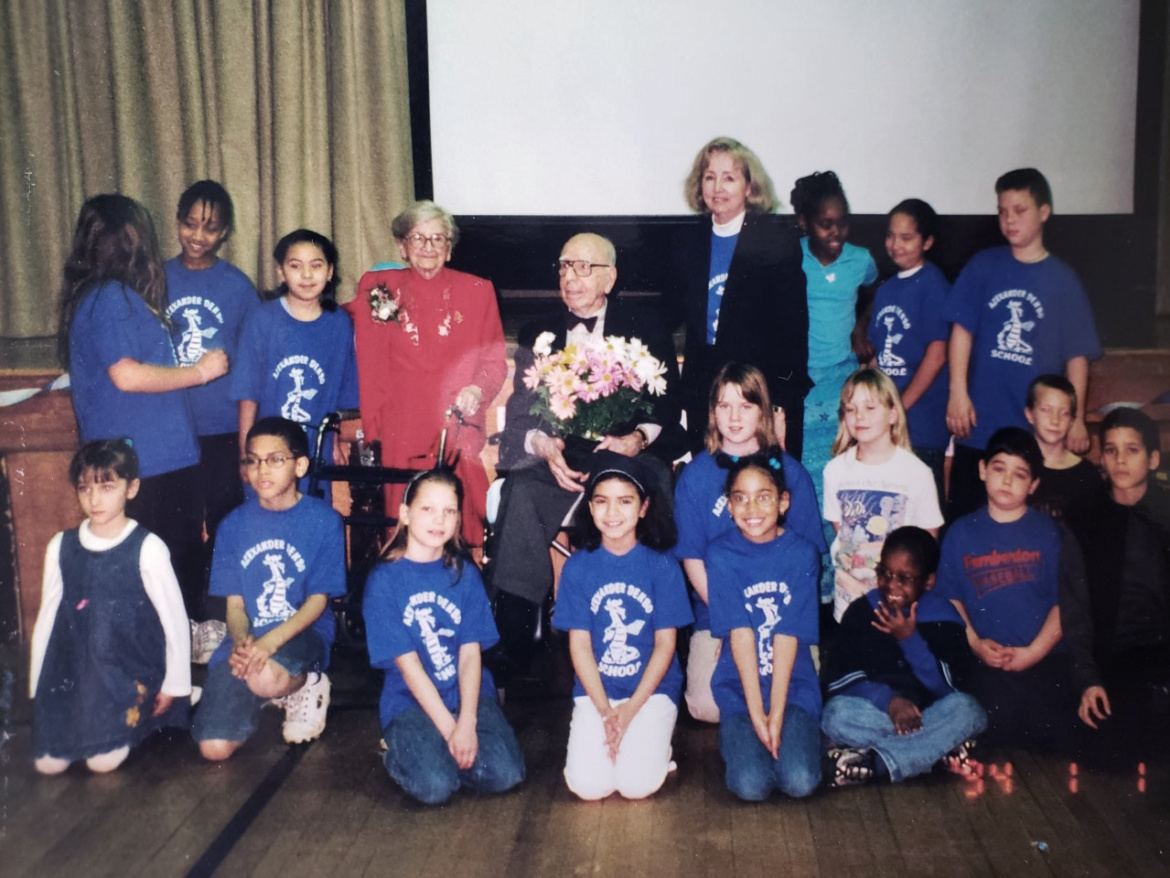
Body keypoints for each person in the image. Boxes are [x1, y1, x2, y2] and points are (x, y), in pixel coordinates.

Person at [488, 232, 686, 688]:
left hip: (627, 457)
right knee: (520, 490)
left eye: (582, 267)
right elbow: (520, 418)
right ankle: (515, 640)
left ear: (609, 278)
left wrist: (637, 438)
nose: (569, 277)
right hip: (560, 461)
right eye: (563, 266)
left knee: (658, 485)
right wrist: (542, 446)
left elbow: (666, 406)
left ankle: (666, 634)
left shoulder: (647, 326)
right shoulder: (538, 334)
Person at [58, 194, 228, 620]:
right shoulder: (110, 298)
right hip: (148, 463)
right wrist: (201, 372)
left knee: (169, 578)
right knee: (160, 585)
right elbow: (126, 375)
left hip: (156, 459)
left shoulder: (107, 297)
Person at [945, 168, 1102, 521]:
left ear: (1043, 212)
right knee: (966, 523)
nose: (1009, 220)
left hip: (1035, 435)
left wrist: (1075, 419)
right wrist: (958, 392)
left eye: (1020, 210)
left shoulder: (1063, 280)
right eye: (1002, 211)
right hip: (980, 427)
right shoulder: (984, 266)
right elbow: (962, 333)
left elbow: (1078, 357)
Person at [348, 201, 507, 546]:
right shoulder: (379, 286)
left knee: (458, 517)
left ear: (449, 249)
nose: (428, 248)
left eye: (438, 239)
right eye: (418, 238)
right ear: (402, 246)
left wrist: (478, 390)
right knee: (402, 515)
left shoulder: (478, 291)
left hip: (454, 419)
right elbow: (343, 322)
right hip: (401, 420)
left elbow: (495, 362)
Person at [673, 363, 825, 723]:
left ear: (764, 411)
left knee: (795, 700)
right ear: (712, 413)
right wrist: (732, 623)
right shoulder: (696, 476)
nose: (735, 417)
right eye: (724, 406)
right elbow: (692, 559)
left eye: (746, 406)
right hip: (718, 613)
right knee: (708, 707)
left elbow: (808, 562)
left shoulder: (790, 473)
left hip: (786, 615)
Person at [363, 469, 525, 805]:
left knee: (507, 773)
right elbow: (409, 668)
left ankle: (440, 751)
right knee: (435, 786)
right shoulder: (384, 581)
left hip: (467, 696)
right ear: (405, 514)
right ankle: (402, 747)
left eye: (449, 511)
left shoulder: (464, 575)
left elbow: (470, 656)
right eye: (428, 509)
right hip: (411, 701)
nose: (439, 520)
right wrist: (452, 731)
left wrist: (466, 722)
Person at [30, 439, 191, 774]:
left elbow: (174, 620)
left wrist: (175, 685)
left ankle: (173, 704)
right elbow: (47, 617)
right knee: (48, 764)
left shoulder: (147, 547)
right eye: (84, 488)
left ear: (131, 488)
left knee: (102, 762)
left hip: (130, 668)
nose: (94, 499)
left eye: (106, 487)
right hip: (76, 670)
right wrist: (38, 686)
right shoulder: (61, 546)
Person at [192, 418, 345, 758]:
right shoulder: (232, 526)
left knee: (262, 678)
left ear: (300, 465)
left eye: (275, 459)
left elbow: (318, 601)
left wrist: (270, 643)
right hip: (252, 642)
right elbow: (235, 606)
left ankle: (306, 683)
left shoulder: (324, 520)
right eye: (253, 459)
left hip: (301, 635)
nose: (262, 469)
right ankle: (267, 687)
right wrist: (244, 642)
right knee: (213, 748)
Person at [551, 455, 691, 799]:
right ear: (590, 507)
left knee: (635, 785)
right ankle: (626, 740)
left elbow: (665, 646)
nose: (612, 513)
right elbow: (580, 647)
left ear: (643, 508)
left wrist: (628, 712)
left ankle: (658, 746)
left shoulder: (663, 566)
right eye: (602, 501)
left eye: (624, 501)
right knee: (588, 787)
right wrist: (605, 711)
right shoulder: (578, 567)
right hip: (597, 691)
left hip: (650, 691)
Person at [935, 427, 1076, 751]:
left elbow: (1064, 603)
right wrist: (975, 643)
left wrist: (1033, 653)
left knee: (1057, 725)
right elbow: (951, 596)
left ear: (1034, 485)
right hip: (987, 657)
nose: (1008, 481)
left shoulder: (1048, 533)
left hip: (1043, 657)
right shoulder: (961, 532)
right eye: (999, 469)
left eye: (1020, 474)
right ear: (983, 469)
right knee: (992, 717)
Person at [672, 137, 810, 457]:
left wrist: (780, 406)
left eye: (729, 177)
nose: (717, 187)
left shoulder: (775, 242)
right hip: (704, 393)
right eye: (710, 177)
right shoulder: (687, 241)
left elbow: (792, 333)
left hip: (758, 391)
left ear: (749, 187)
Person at [821, 526, 987, 786]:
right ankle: (935, 749)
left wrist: (910, 639)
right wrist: (890, 702)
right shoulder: (862, 611)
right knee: (834, 716)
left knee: (969, 711)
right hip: (878, 714)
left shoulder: (944, 617)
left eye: (904, 578)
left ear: (928, 581)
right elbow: (840, 677)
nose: (891, 585)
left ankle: (875, 763)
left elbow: (950, 688)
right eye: (885, 573)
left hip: (927, 714)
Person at [707, 456, 822, 801]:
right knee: (751, 786)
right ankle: (743, 739)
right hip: (741, 691)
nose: (752, 507)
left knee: (800, 781)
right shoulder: (720, 554)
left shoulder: (802, 553)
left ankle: (806, 739)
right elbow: (740, 634)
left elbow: (786, 636)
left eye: (764, 496)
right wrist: (759, 715)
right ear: (729, 505)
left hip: (793, 687)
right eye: (740, 497)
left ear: (783, 501)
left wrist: (777, 714)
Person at [1062, 408, 1170, 767]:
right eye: (1111, 450)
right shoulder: (1084, 518)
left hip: (1162, 647)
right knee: (1109, 750)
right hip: (1115, 655)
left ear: (1153, 458)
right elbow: (1074, 609)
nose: (1120, 460)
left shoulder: (1165, 513)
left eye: (1132, 450)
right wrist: (1087, 679)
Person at [163, 181, 260, 580]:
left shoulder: (236, 286)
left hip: (220, 427)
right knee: (178, 526)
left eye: (210, 228)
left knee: (224, 520)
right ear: (177, 222)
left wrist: (244, 440)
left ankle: (221, 613)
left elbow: (252, 363)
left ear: (224, 233)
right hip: (170, 426)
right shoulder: (156, 278)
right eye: (190, 224)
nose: (198, 236)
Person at [231, 229, 359, 485]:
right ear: (281, 272)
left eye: (316, 265)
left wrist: (333, 442)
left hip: (316, 447)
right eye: (295, 266)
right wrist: (246, 454)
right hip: (267, 448)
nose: (307, 275)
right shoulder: (262, 319)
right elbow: (248, 393)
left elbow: (340, 393)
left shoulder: (340, 324)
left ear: (330, 271)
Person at [792, 170, 879, 545]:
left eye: (843, 224)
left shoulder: (861, 260)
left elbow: (878, 292)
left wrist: (861, 328)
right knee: (809, 475)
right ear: (804, 223)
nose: (837, 234)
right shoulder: (792, 258)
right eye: (826, 225)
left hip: (843, 377)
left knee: (844, 471)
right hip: (804, 380)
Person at [823, 368, 943, 623]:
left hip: (898, 606)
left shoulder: (917, 473)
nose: (859, 417)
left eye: (870, 408)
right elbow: (842, 532)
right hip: (850, 604)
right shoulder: (835, 471)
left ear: (892, 414)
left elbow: (927, 544)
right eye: (851, 409)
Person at [866, 199, 950, 500]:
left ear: (927, 241)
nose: (895, 245)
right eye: (890, 235)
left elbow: (937, 354)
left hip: (921, 426)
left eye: (907, 238)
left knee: (920, 514)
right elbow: (879, 356)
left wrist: (900, 407)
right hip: (887, 424)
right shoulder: (887, 289)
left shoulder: (933, 286)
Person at [1024, 374, 1102, 522]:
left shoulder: (1086, 475)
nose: (1055, 420)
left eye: (1064, 413)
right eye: (1046, 410)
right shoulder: (1016, 468)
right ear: (1029, 414)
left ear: (1072, 421)